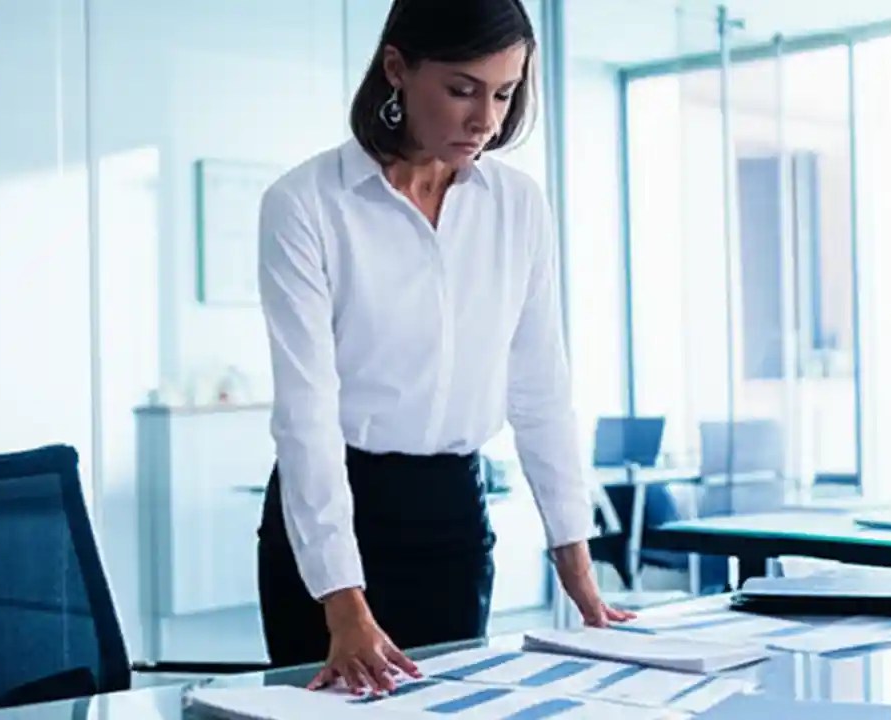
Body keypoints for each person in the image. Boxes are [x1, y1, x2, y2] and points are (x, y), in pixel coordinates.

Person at [255, 0, 634, 697]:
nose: (485, 119)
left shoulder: (516, 205)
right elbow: (306, 413)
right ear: (397, 68)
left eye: (504, 92)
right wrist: (343, 601)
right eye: (461, 88)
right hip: (334, 518)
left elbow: (540, 388)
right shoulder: (306, 204)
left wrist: (578, 565)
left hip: (454, 518)